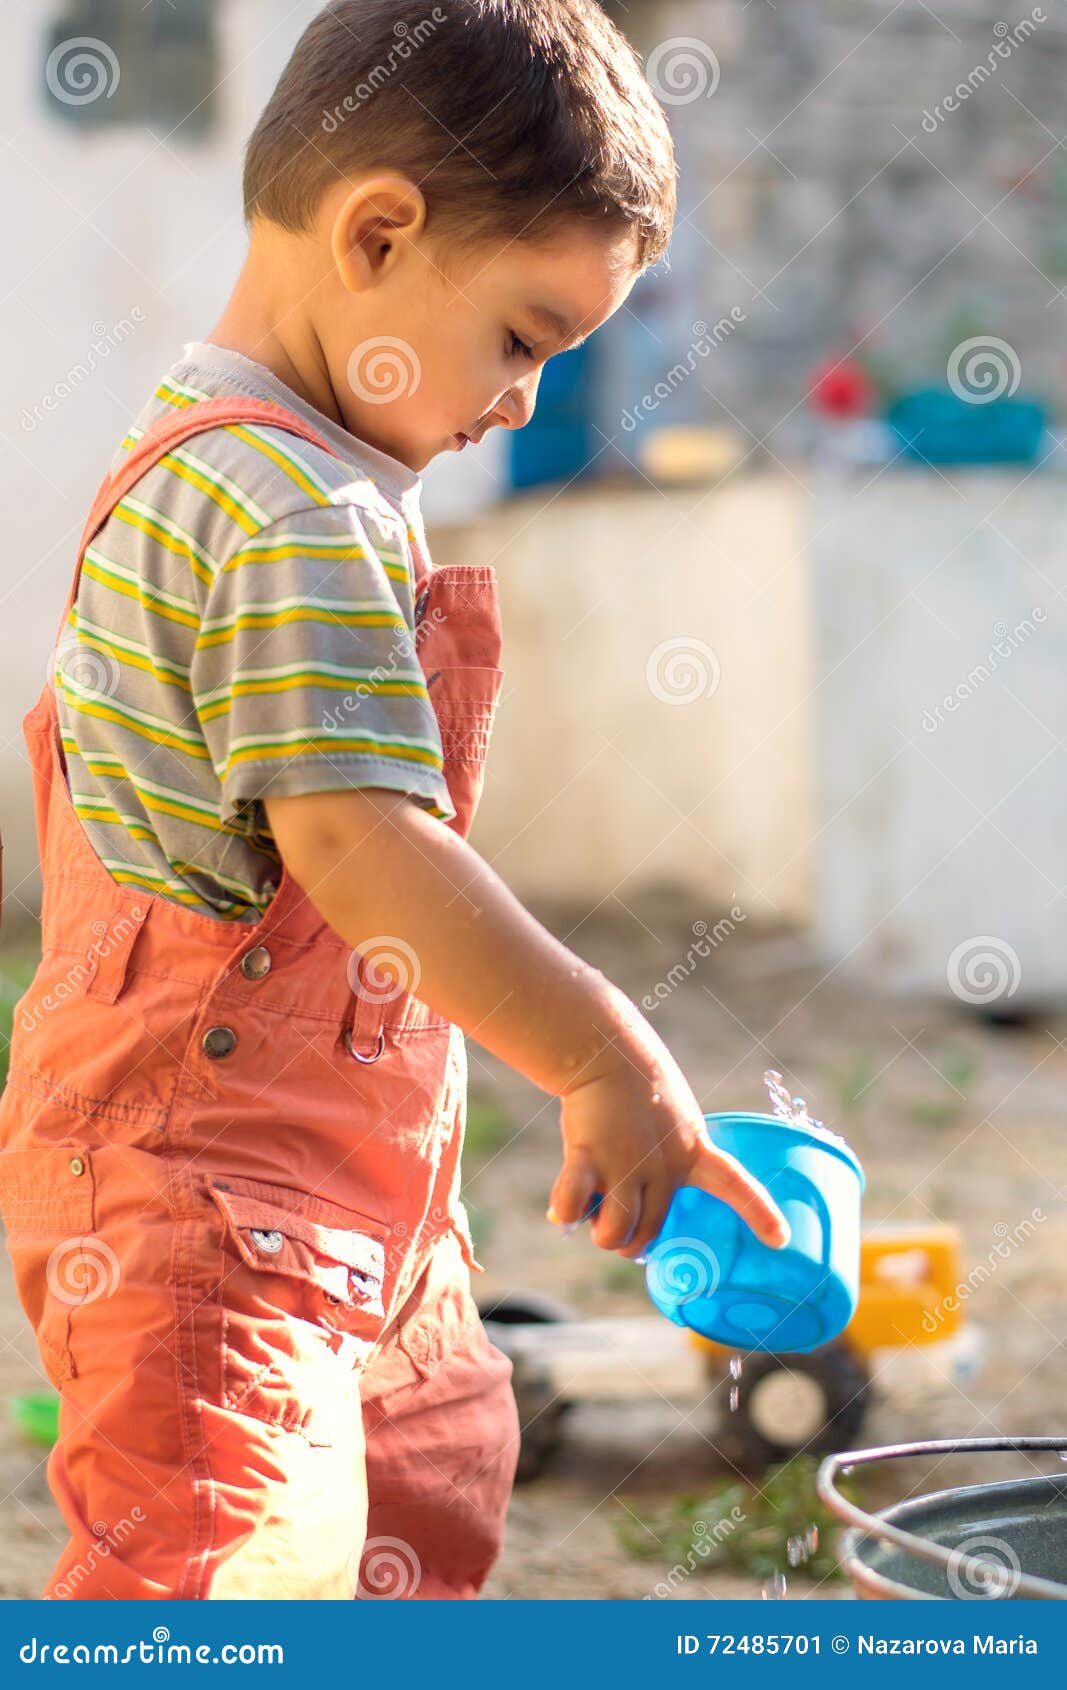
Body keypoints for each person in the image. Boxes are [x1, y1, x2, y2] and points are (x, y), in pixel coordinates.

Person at [0, 0, 787, 1600]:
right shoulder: (293, 505)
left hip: (337, 1186)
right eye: (522, 338)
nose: (518, 399)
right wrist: (599, 1048)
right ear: (377, 232)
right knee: (228, 1565)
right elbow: (357, 844)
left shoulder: (227, 452)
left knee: (416, 1482)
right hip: (208, 1193)